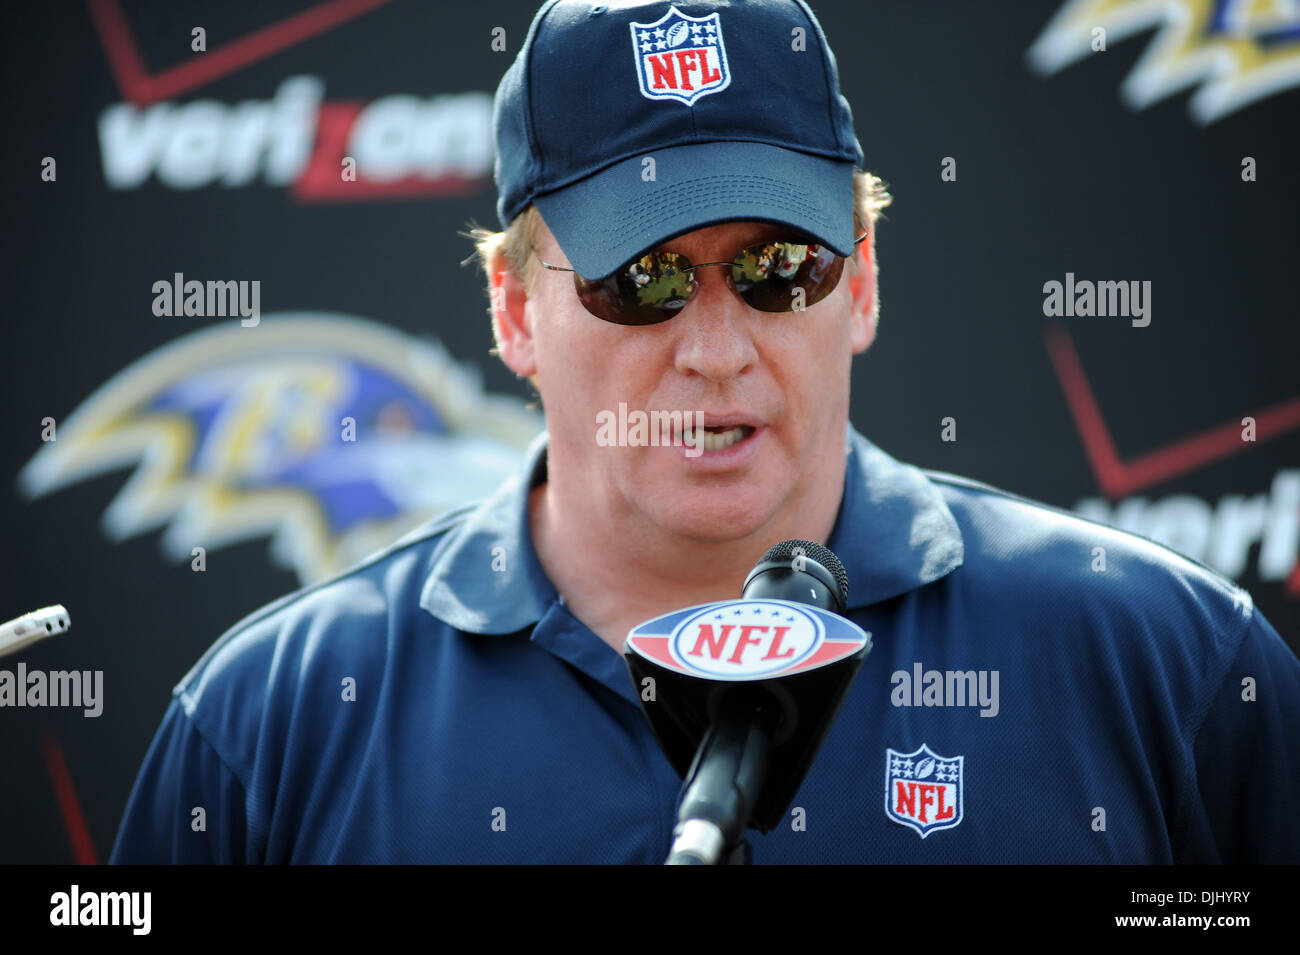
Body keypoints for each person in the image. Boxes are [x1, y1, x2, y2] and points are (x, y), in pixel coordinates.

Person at [110, 0, 1299, 864]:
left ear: (864, 283)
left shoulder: (1168, 667)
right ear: (516, 313)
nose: (718, 348)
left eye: (782, 268)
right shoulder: (274, 720)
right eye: (643, 279)